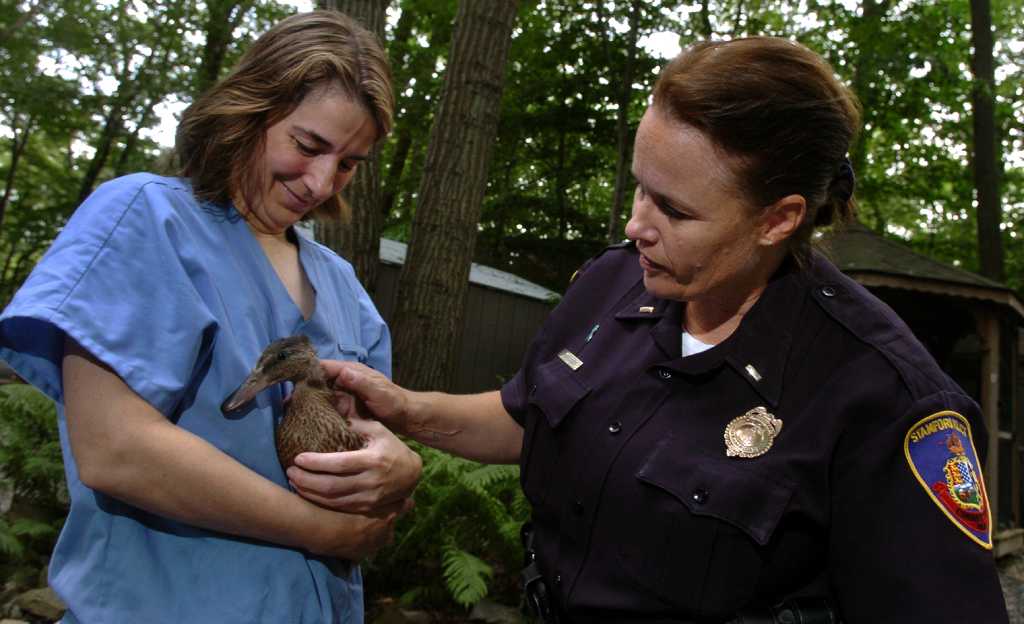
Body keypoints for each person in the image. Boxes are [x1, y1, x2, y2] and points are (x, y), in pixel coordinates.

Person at [289, 37, 1010, 622]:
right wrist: (407, 408)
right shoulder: (613, 283)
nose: (637, 224)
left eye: (675, 209)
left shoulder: (887, 400)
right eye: (640, 186)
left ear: (779, 219)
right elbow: (528, 417)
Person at [0, 11, 421, 624]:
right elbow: (115, 449)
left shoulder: (344, 286)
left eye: (349, 163)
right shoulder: (147, 218)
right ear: (249, 112)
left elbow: (368, 449)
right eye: (308, 146)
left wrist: (399, 470)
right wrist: (327, 532)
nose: (321, 182)